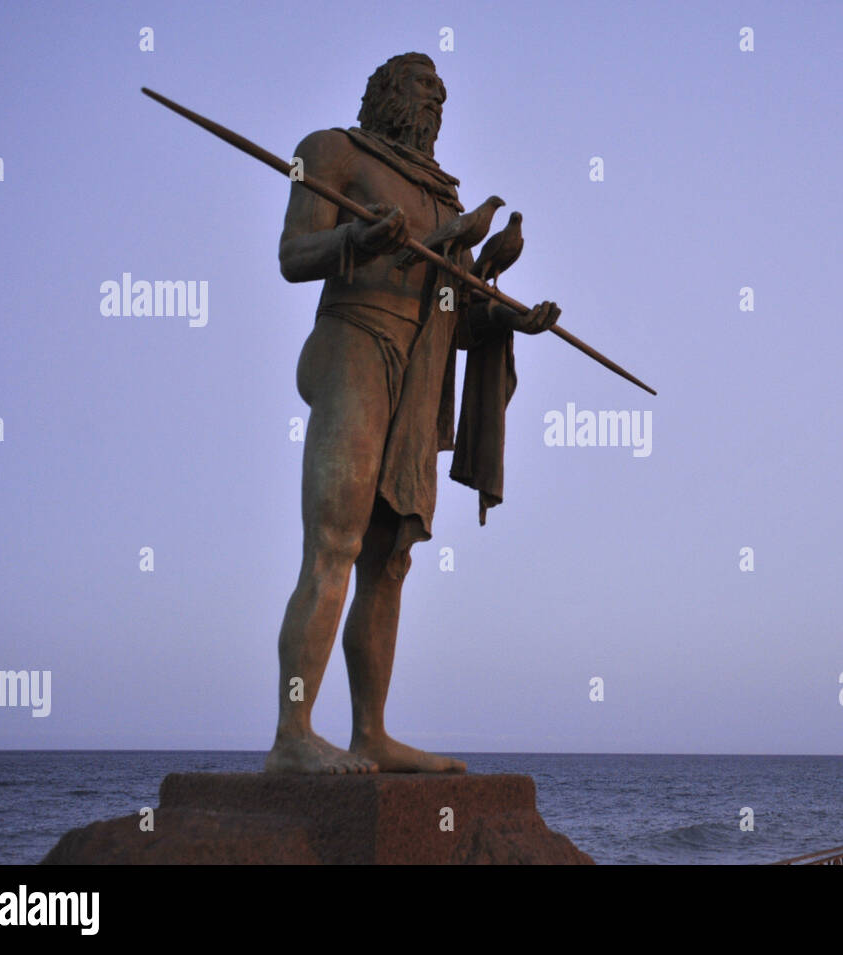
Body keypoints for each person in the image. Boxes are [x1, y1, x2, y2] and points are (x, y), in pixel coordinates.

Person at [265, 53, 560, 774]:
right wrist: (354, 240)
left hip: (419, 368)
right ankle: (293, 732)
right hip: (354, 344)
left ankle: (371, 733)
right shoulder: (330, 150)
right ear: (388, 91)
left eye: (441, 94)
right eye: (424, 88)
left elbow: (447, 312)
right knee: (334, 538)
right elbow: (292, 252)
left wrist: (504, 322)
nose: (435, 102)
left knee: (388, 558)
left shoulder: (443, 202)